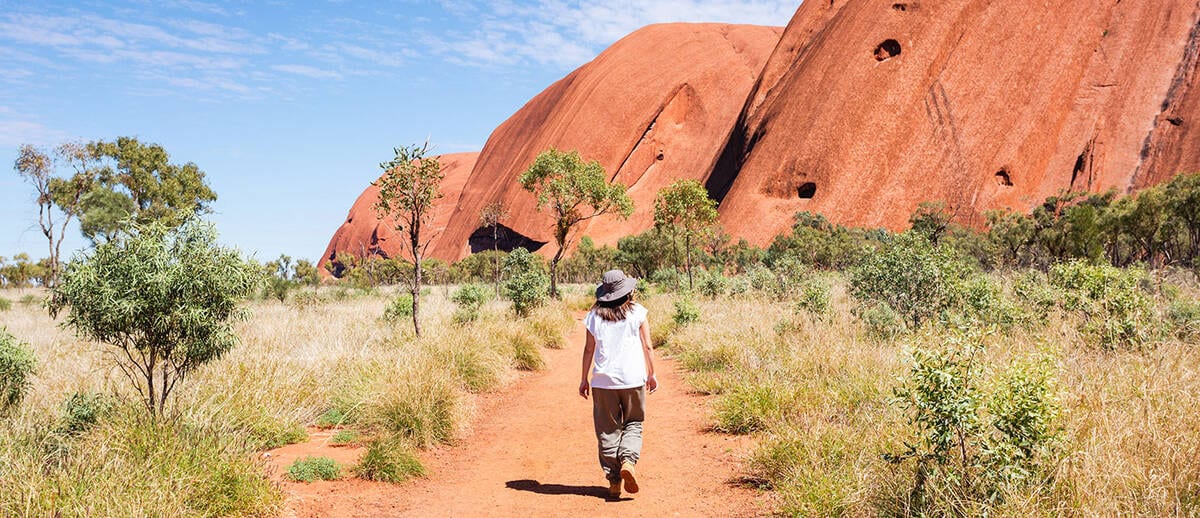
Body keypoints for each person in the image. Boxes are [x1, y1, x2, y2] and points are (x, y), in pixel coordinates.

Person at [579, 269, 658, 498]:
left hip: (603, 382)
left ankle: (614, 481)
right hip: (633, 379)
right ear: (626, 291)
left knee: (607, 430)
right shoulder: (638, 312)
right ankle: (628, 462)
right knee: (634, 423)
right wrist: (652, 374)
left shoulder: (594, 316)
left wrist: (584, 379)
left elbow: (588, 349)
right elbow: (648, 346)